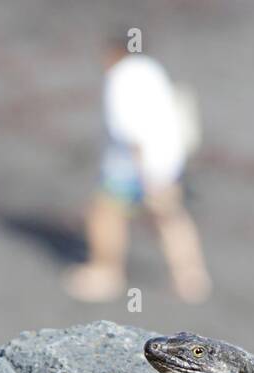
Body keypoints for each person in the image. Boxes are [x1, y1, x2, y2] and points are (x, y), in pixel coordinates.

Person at [64, 36, 212, 304]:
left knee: (105, 213)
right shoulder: (152, 69)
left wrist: (145, 175)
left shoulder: (121, 77)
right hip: (168, 159)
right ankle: (191, 278)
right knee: (169, 215)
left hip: (133, 166)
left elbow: (130, 131)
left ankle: (106, 274)